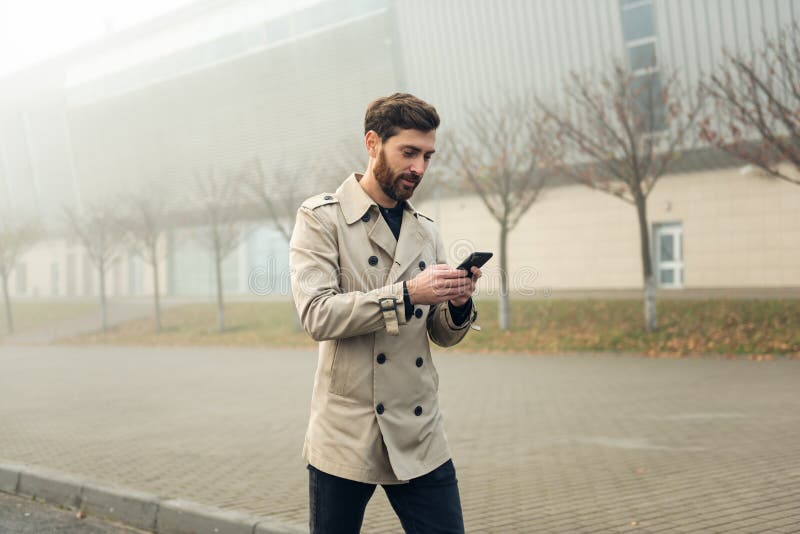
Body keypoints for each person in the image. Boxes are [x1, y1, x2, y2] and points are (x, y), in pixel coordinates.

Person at [289, 93, 482, 534]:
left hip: (418, 429)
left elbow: (441, 335)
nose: (419, 167)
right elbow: (317, 315)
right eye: (408, 152)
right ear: (373, 143)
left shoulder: (425, 229)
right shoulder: (321, 219)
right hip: (346, 430)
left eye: (428, 156)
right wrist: (409, 293)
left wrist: (457, 303)